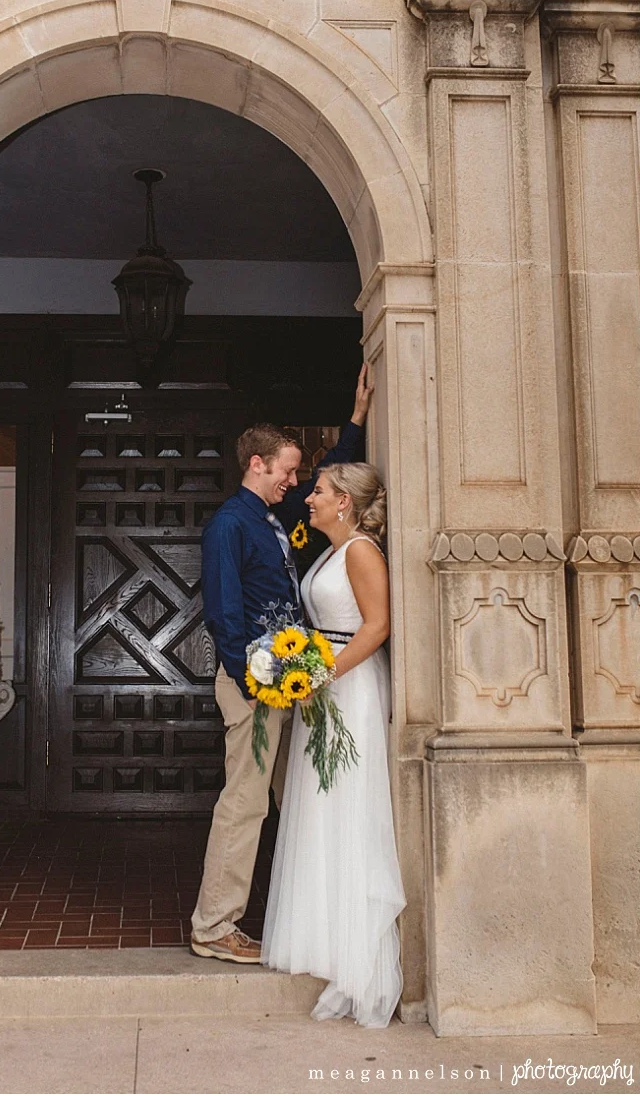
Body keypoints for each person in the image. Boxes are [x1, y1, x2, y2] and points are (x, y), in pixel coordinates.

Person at [189, 365, 374, 964]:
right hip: (254, 685)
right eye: (289, 470)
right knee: (245, 802)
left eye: (299, 474)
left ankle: (310, 919)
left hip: (285, 682)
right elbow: (223, 613)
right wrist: (255, 684)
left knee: (298, 801)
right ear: (257, 464)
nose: (297, 481)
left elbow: (334, 490)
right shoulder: (229, 525)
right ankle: (215, 927)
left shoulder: (274, 515)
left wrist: (355, 420)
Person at [262, 461, 406, 1026]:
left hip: (352, 691)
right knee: (324, 815)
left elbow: (377, 625)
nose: (309, 498)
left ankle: (361, 966)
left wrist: (324, 673)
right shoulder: (332, 551)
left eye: (318, 491)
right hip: (327, 685)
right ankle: (335, 954)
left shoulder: (362, 552)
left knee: (350, 814)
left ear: (344, 500)